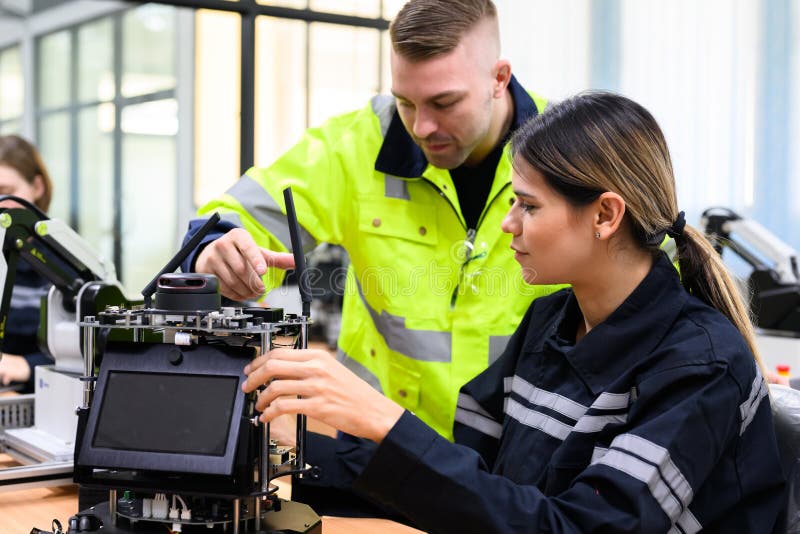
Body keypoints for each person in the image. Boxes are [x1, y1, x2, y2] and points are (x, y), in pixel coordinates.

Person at [242, 92, 786, 532]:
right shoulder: (552, 321)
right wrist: (298, 447)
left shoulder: (698, 367)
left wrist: (387, 423)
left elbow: (572, 527)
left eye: (528, 205)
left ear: (605, 214)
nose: (508, 224)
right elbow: (470, 493)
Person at [183, 0, 560, 450]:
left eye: (444, 102)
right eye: (405, 101)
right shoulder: (355, 145)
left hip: (516, 461)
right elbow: (233, 218)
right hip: (376, 453)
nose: (422, 126)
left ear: (498, 79)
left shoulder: (567, 151)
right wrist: (218, 248)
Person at [0, 135, 54, 393]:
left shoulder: (64, 261)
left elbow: (88, 349)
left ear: (37, 187)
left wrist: (26, 366)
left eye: (6, 192)